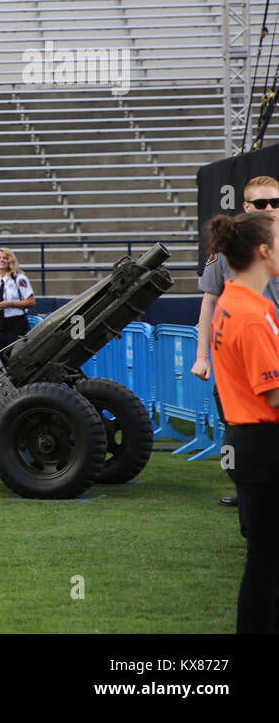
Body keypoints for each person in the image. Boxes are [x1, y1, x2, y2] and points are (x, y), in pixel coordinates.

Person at [202, 209, 279, 633]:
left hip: (248, 440)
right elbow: (273, 392)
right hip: (262, 443)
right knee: (265, 564)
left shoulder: (238, 301)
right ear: (264, 251)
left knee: (266, 561)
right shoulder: (250, 313)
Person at [192, 175, 279, 509]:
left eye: (275, 202)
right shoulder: (228, 254)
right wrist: (202, 356)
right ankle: (248, 497)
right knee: (242, 429)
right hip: (248, 356)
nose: (269, 209)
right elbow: (209, 301)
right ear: (246, 207)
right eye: (261, 204)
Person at [0, 246, 35, 359]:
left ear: (11, 261)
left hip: (16, 323)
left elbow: (31, 301)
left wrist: (10, 304)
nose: (1, 260)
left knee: (15, 355)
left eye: (5, 258)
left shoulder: (19, 279)